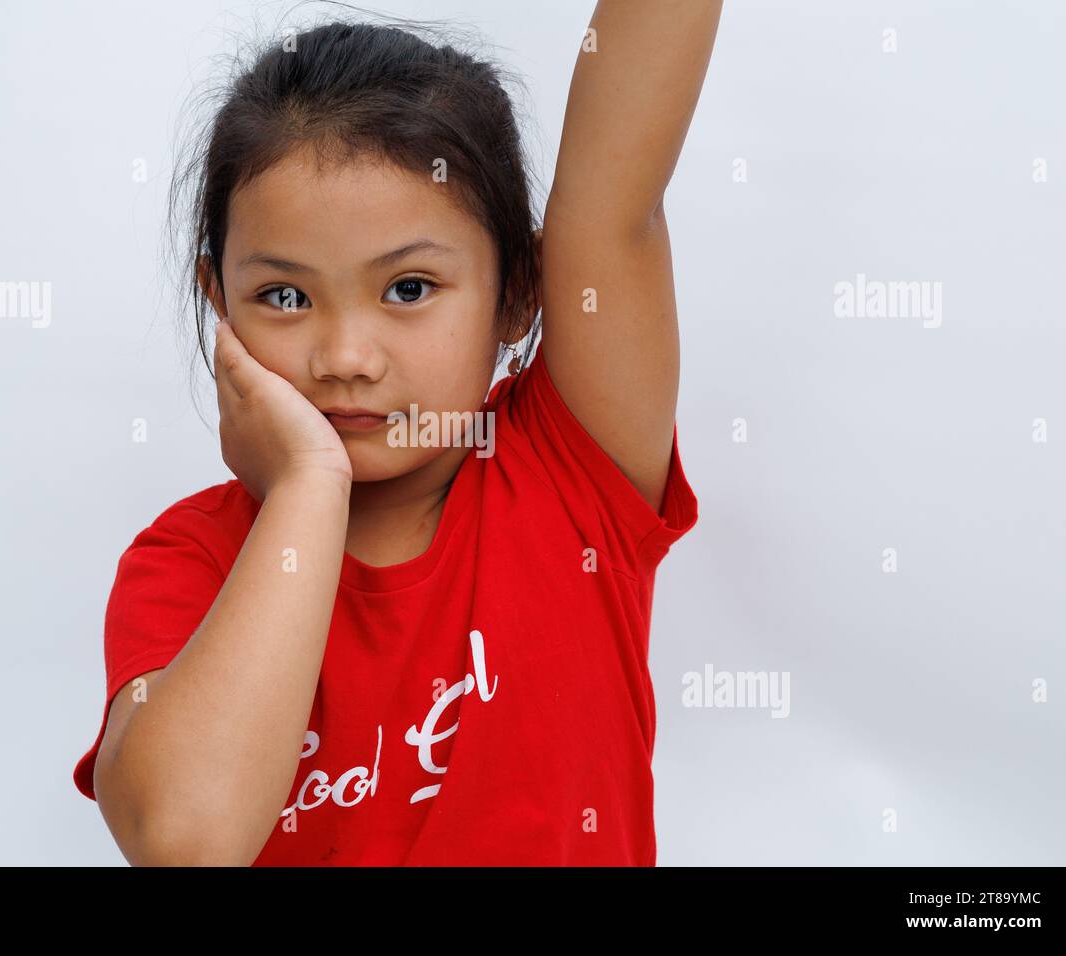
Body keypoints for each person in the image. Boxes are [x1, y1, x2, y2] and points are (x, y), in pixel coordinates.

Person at [73, 0, 721, 866]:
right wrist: (307, 484)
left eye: (410, 288)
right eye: (286, 297)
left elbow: (616, 199)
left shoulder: (570, 470)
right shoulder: (184, 565)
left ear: (522, 289)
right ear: (217, 299)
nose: (345, 357)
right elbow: (186, 841)